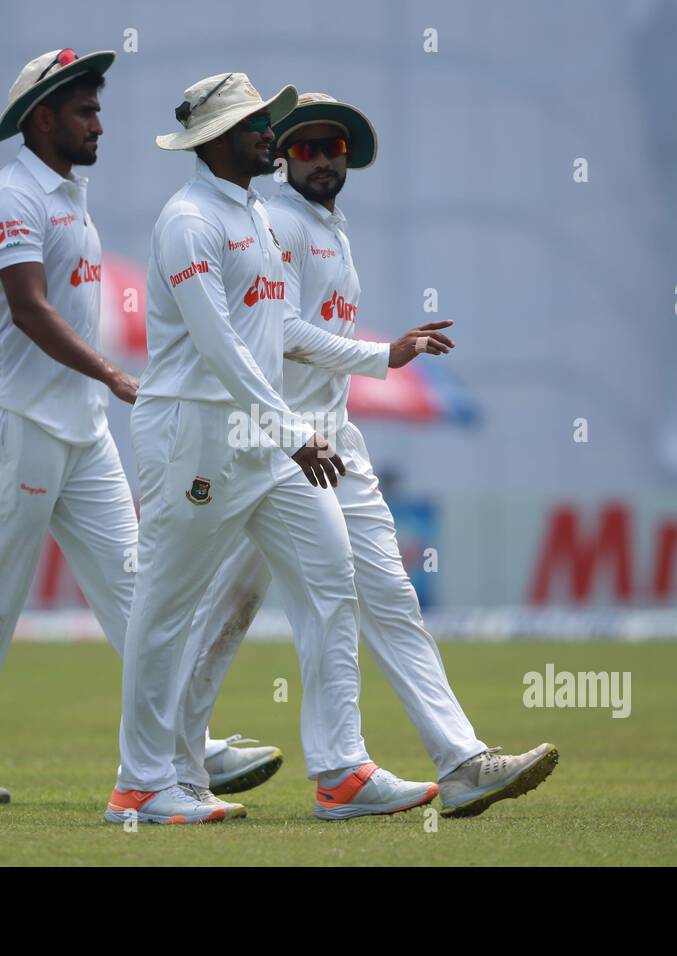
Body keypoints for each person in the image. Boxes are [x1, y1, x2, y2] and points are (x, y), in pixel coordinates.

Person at [0, 49, 275, 806]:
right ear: (43, 119)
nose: (100, 124)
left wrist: (97, 391)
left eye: (97, 110)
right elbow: (29, 307)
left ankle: (178, 748)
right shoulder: (14, 195)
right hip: (19, 421)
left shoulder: (69, 193)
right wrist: (110, 373)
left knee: (140, 588)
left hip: (79, 427)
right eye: (85, 112)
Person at [173, 93, 559, 818]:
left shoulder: (327, 225)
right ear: (284, 156)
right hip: (274, 440)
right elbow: (280, 329)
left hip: (328, 441)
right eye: (308, 148)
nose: (323, 159)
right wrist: (385, 354)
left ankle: (460, 761)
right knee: (232, 602)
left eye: (335, 148)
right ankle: (179, 760)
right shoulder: (279, 221)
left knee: (386, 598)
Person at [105, 73, 438, 825]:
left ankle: (341, 772)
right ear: (220, 140)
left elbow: (277, 333)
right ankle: (140, 784)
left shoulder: (252, 215)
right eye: (259, 127)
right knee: (166, 607)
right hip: (194, 433)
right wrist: (292, 431)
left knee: (331, 585)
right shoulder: (188, 220)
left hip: (261, 439)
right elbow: (220, 348)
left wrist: (380, 356)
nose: (273, 137)